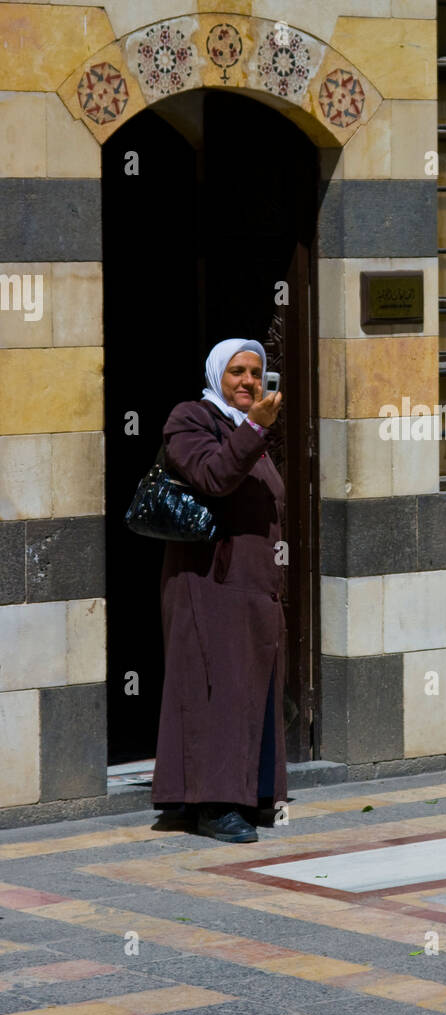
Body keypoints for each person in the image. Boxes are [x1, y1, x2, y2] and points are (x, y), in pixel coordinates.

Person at [151, 338, 288, 843]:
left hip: (254, 586)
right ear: (216, 375)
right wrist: (256, 429)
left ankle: (247, 794)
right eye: (237, 372)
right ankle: (212, 805)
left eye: (256, 371)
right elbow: (213, 476)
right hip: (208, 582)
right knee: (215, 687)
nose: (248, 381)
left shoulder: (248, 428)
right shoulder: (191, 419)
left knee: (249, 688)